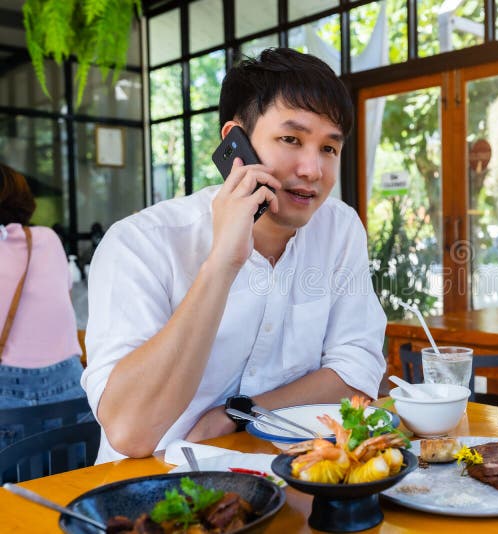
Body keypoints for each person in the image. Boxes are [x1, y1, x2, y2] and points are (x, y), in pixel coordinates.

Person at [82, 48, 387, 462]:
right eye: (291, 139)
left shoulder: (339, 227)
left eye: (329, 148)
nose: (313, 169)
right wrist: (222, 264)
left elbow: (356, 373)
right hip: (152, 493)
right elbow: (131, 432)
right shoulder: (140, 243)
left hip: (289, 476)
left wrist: (239, 412)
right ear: (235, 142)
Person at [0, 164, 85, 447]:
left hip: (7, 395)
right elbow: (64, 300)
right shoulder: (48, 239)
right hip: (70, 389)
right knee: (68, 487)